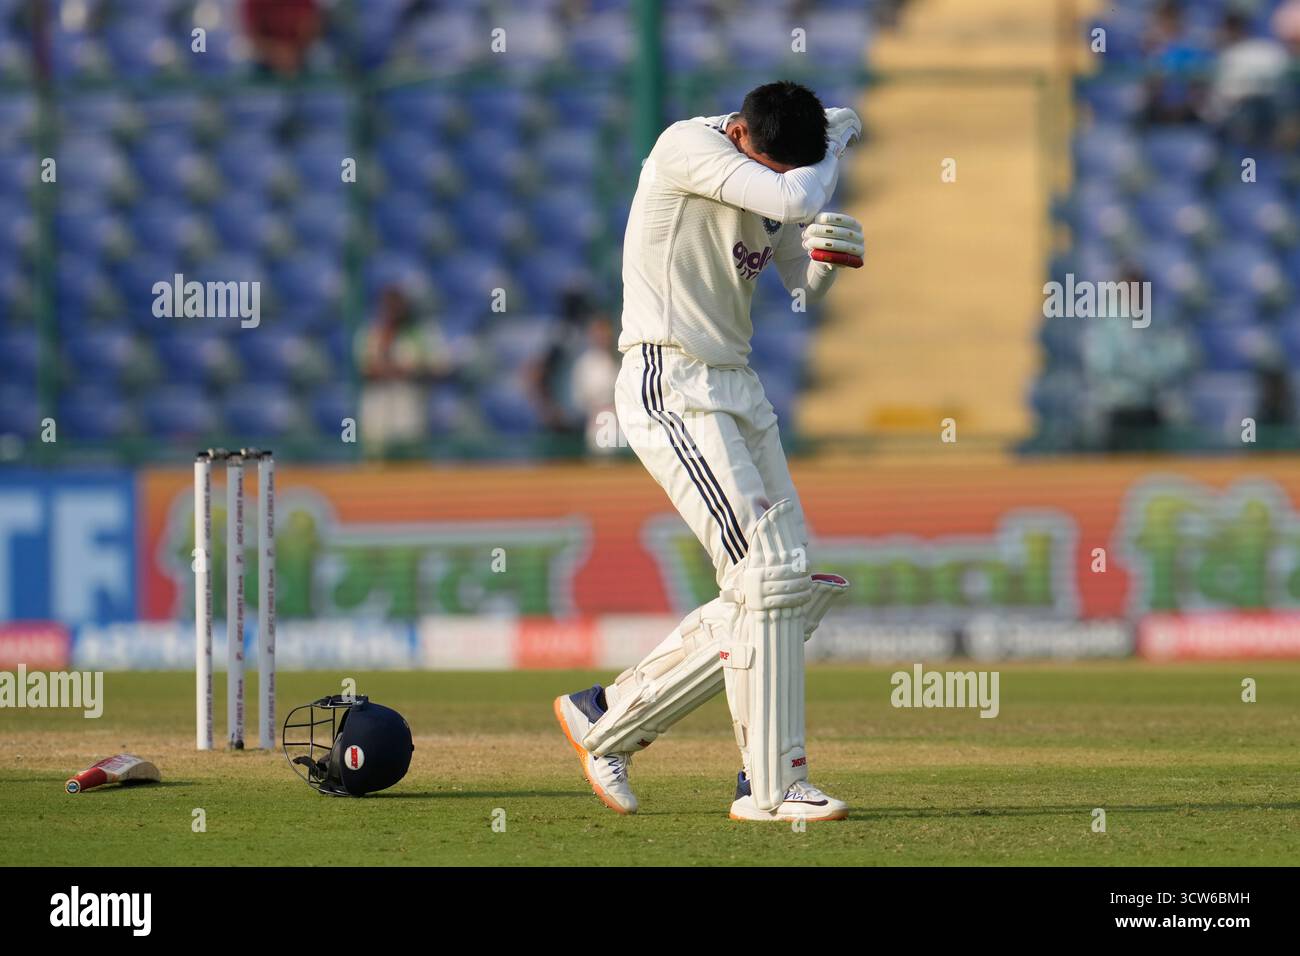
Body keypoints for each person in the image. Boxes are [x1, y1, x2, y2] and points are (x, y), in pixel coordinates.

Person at [553, 81, 863, 821]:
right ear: (746, 136)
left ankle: (609, 715)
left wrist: (829, 256)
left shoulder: (777, 177)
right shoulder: (683, 145)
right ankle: (771, 786)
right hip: (672, 379)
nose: (790, 183)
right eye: (781, 167)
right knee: (764, 578)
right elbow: (792, 199)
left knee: (788, 585)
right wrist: (839, 142)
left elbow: (797, 278)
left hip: (736, 385)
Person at [355, 286, 452, 457]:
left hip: (410, 405)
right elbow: (365, 369)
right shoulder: (372, 333)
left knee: (410, 458)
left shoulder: (420, 333)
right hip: (377, 408)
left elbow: (440, 368)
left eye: (397, 304)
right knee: (374, 459)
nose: (394, 310)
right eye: (389, 305)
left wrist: (410, 371)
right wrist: (386, 366)